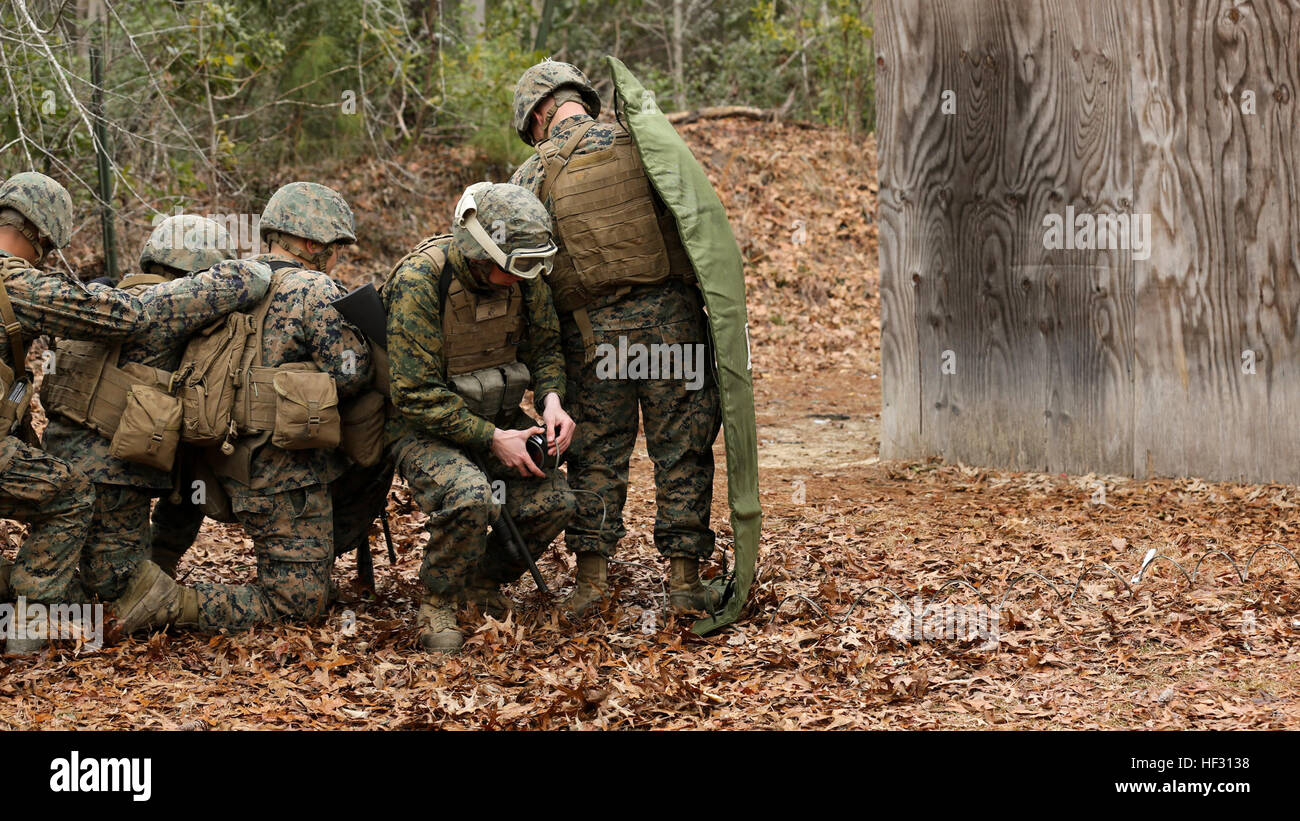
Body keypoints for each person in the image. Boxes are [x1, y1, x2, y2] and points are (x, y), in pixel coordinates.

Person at [509, 61, 722, 616]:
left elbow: (523, 276)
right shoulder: (647, 143)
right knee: (683, 451)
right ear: (579, 98)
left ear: (538, 114)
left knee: (596, 457)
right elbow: (698, 221)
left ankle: (591, 584)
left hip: (592, 339)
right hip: (674, 329)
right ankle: (684, 583)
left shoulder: (530, 176)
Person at [113, 182, 372, 635]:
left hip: (207, 459)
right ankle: (168, 601)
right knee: (298, 604)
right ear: (313, 244)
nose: (337, 260)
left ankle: (153, 567)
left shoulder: (222, 279)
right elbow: (352, 373)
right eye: (335, 249)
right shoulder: (314, 288)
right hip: (282, 473)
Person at [385, 182, 575, 651]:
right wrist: (491, 437)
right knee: (470, 495)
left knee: (557, 501)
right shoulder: (420, 282)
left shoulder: (524, 281)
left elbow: (546, 347)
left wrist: (551, 400)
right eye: (513, 267)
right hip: (423, 429)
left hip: (500, 418)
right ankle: (439, 601)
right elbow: (414, 393)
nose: (524, 278)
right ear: (477, 252)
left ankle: (480, 580)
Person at [41, 215, 271, 601]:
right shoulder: (165, 304)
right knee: (117, 596)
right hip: (113, 474)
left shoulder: (101, 300)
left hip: (59, 460)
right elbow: (251, 279)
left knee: (58, 560)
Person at [0, 172, 153, 654]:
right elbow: (124, 318)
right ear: (41, 237)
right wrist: (99, 292)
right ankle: (25, 636)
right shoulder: (15, 279)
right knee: (69, 493)